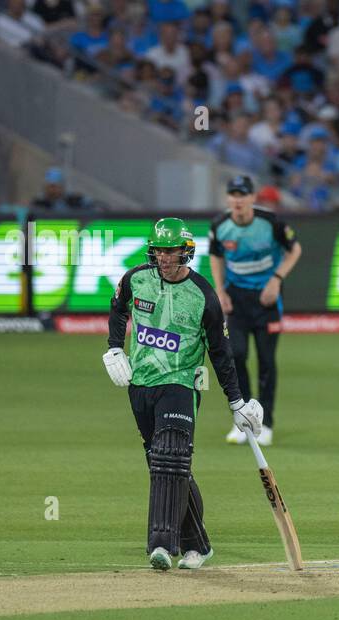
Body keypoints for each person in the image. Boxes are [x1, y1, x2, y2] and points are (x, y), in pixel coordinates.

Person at [102, 218, 264, 571]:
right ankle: (198, 544)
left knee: (169, 457)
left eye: (170, 250)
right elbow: (117, 308)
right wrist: (115, 348)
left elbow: (221, 353)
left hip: (181, 384)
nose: (163, 257)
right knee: (165, 465)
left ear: (185, 251)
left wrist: (236, 401)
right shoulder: (135, 279)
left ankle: (162, 546)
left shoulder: (203, 296)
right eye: (159, 249)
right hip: (140, 383)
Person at [209, 175, 303, 446]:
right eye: (233, 195)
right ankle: (243, 420)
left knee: (266, 360)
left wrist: (276, 279)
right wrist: (220, 290)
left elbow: (294, 249)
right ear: (228, 198)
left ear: (252, 198)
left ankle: (267, 422)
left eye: (243, 195)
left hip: (267, 300)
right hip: (237, 299)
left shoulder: (270, 222)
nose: (238, 200)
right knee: (236, 355)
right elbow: (216, 256)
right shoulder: (220, 226)